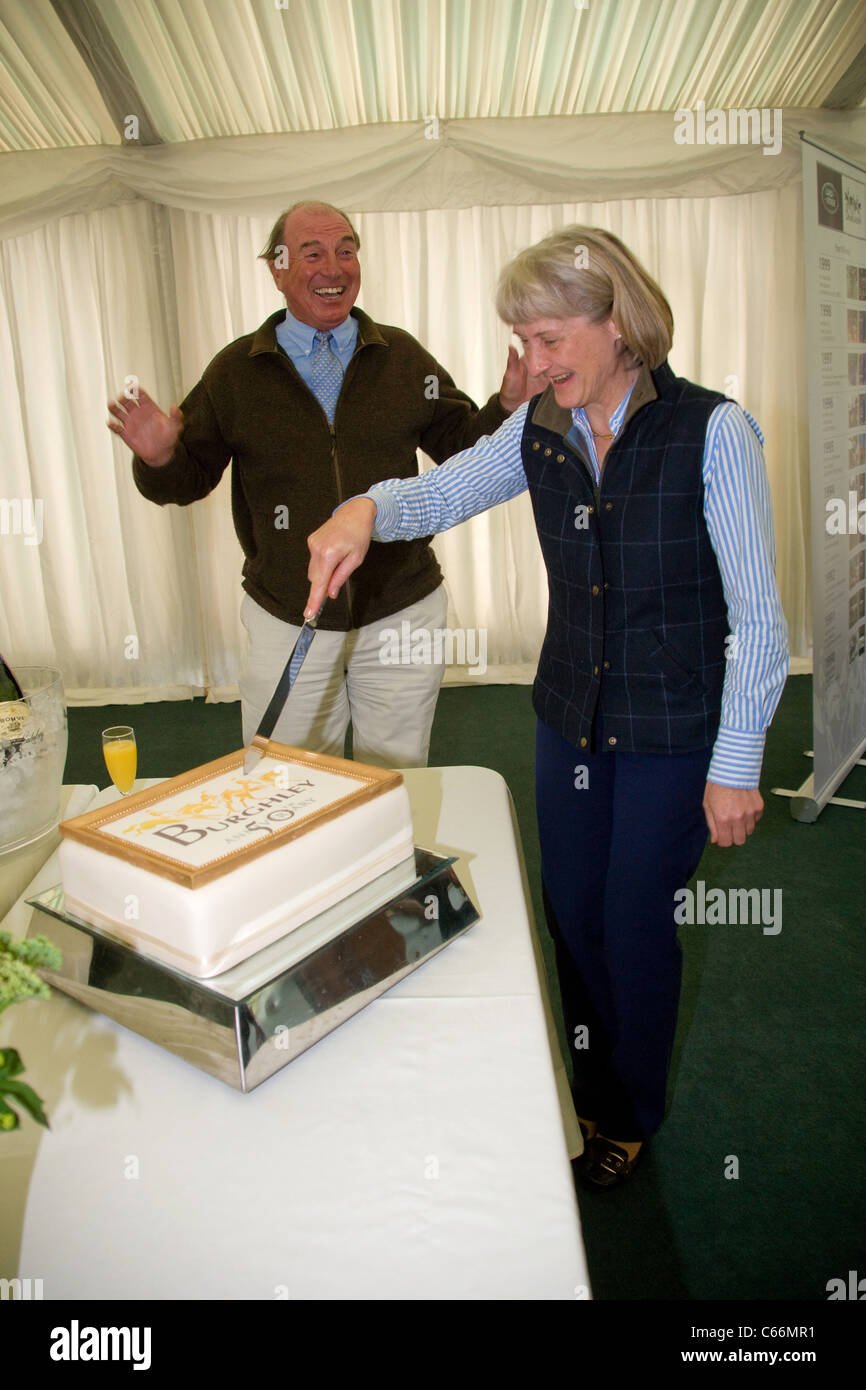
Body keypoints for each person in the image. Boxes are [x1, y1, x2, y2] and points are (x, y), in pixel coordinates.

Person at [305, 226, 789, 1190]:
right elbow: (440, 490)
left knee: (631, 916)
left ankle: (628, 1112)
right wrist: (365, 508)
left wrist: (737, 761)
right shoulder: (540, 430)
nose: (530, 364)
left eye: (550, 339)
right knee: (570, 912)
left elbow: (760, 618)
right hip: (568, 716)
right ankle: (587, 1084)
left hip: (671, 728)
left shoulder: (712, 430)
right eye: (521, 341)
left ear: (618, 323)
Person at [106, 201, 531, 767]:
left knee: (397, 778)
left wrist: (507, 406)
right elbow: (186, 482)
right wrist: (159, 458)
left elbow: (463, 446)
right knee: (285, 783)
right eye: (313, 253)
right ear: (277, 269)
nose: (334, 267)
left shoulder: (400, 355)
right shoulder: (235, 371)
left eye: (346, 251)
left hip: (401, 611)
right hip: (289, 616)